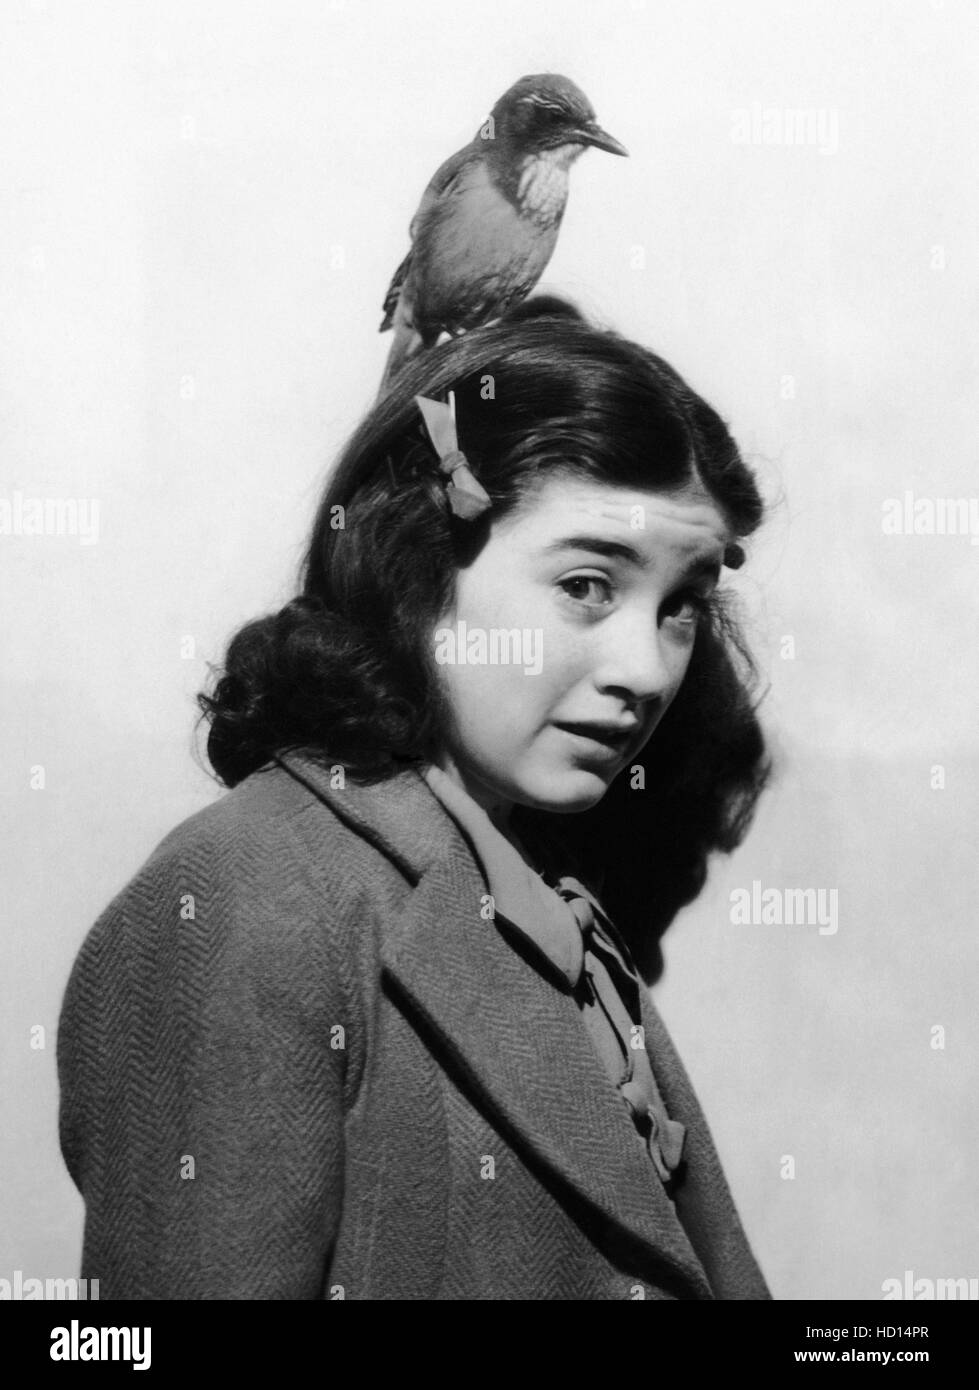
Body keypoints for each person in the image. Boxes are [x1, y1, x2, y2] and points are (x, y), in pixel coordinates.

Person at [58, 297, 772, 1300]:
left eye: (680, 605)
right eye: (586, 586)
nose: (645, 669)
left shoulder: (550, 901)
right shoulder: (245, 898)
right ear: (416, 569)